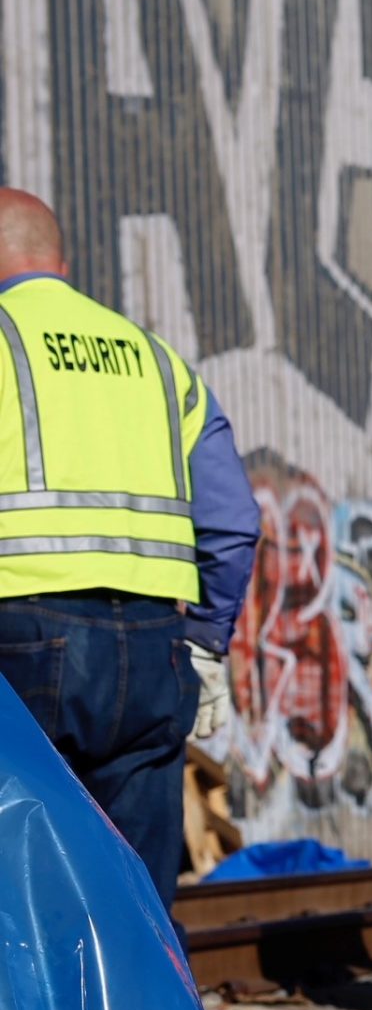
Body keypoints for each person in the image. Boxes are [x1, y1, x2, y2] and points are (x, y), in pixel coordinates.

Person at [0, 190, 258, 904]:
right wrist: (205, 642)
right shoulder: (155, 359)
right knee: (136, 898)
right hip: (153, 648)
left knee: (18, 899)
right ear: (62, 263)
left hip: (19, 644)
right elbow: (233, 519)